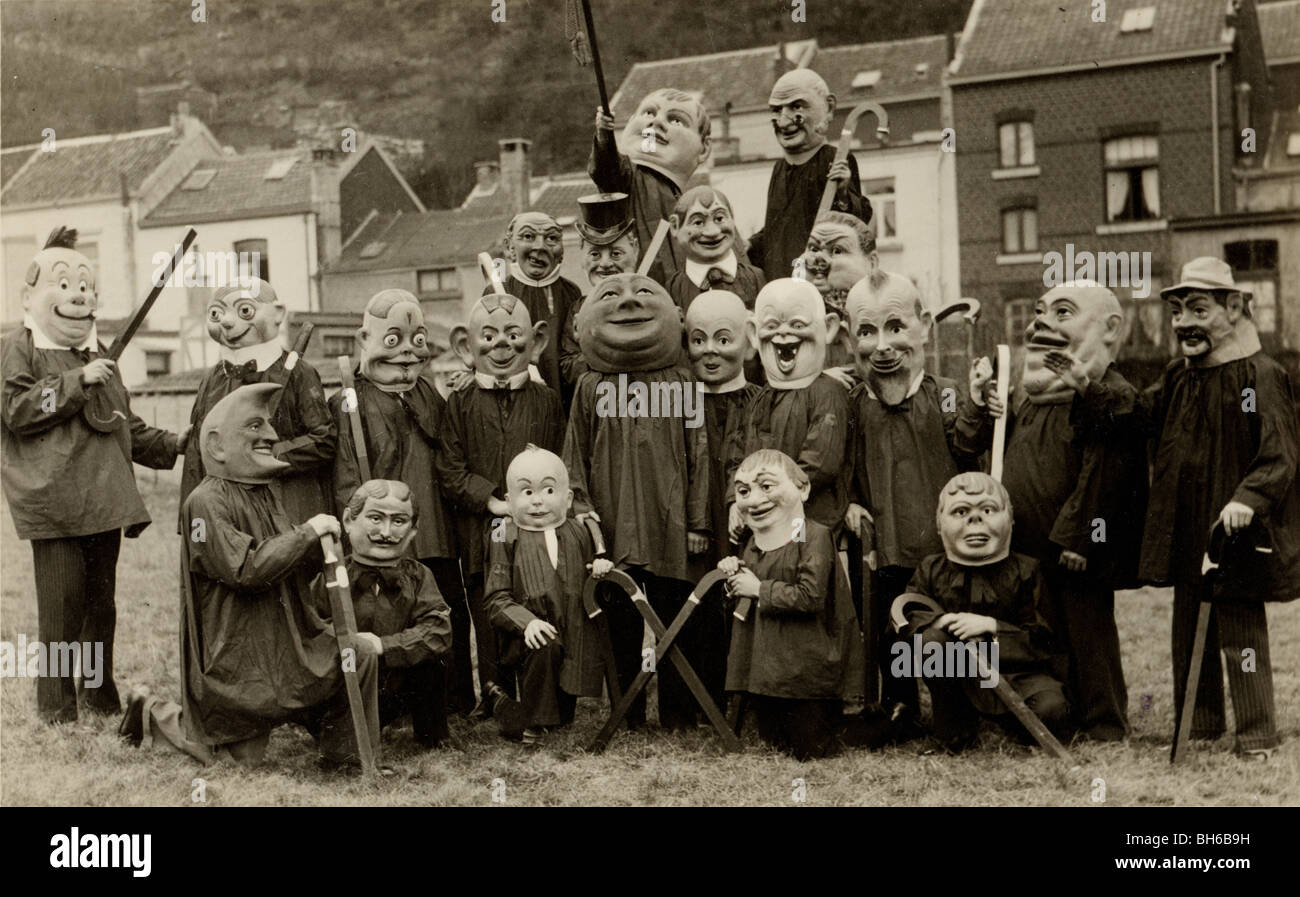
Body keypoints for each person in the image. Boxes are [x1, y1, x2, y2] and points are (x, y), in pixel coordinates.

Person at [119, 384, 381, 771]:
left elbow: (287, 555)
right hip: (239, 659)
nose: (272, 436)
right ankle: (152, 713)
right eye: (255, 426)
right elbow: (245, 569)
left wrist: (327, 542)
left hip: (286, 640)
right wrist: (307, 533)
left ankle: (343, 755)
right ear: (217, 444)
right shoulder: (204, 504)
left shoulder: (265, 492)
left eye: (270, 426)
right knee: (237, 762)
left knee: (356, 655)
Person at [1, 226, 185, 723]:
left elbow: (121, 425)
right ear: (30, 296)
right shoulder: (19, 348)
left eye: (86, 286)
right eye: (64, 285)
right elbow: (16, 410)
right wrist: (74, 381)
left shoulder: (99, 356)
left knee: (101, 606)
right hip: (54, 503)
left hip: (103, 502)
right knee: (61, 610)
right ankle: (57, 710)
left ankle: (99, 697)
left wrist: (176, 444)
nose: (79, 295)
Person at [960, 281, 1147, 742]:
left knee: (1088, 631)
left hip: (1076, 544)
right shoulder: (1033, 399)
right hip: (1031, 543)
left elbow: (1102, 477)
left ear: (1108, 330)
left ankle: (1104, 721)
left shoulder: (1110, 398)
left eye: (1062, 313)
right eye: (1039, 312)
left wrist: (1081, 537)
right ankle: (1063, 714)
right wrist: (994, 411)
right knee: (1047, 630)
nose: (1041, 322)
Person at [1138, 257, 1299, 760]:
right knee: (1188, 629)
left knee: (1240, 630)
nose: (1184, 322)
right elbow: (1140, 415)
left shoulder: (1260, 377)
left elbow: (1280, 452)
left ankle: (1255, 731)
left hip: (1236, 531)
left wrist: (1247, 499)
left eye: (1198, 309)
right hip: (1188, 527)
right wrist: (1090, 383)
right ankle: (1201, 720)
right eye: (1178, 311)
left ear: (1234, 308)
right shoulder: (1179, 378)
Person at [841, 270, 994, 731]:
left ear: (924, 325)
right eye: (867, 332)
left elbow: (967, 446)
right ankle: (899, 701)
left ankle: (958, 703)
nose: (883, 346)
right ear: (850, 339)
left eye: (895, 327)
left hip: (939, 546)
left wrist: (978, 403)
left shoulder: (946, 395)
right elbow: (839, 462)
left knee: (943, 619)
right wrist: (848, 502)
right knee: (887, 625)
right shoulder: (851, 403)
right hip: (881, 544)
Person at [563, 272, 711, 730]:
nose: (628, 304)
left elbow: (699, 453)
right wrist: (585, 515)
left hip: (670, 525)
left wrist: (698, 523)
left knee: (675, 613)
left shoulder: (683, 383)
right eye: (611, 297)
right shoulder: (590, 387)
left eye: (644, 294)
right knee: (621, 619)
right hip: (612, 526)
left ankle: (679, 711)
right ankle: (626, 710)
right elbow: (576, 457)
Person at [329, 290, 470, 713]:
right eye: (393, 342)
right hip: (382, 533)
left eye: (418, 340)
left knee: (444, 611)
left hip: (434, 532)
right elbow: (345, 477)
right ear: (364, 340)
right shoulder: (347, 403)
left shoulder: (429, 394)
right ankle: (389, 705)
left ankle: (451, 701)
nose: (408, 353)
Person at [441, 293, 563, 715]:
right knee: (486, 601)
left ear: (536, 342)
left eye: (513, 336)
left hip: (536, 524)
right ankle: (494, 691)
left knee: (534, 596)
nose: (501, 346)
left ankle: (539, 690)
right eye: (488, 337)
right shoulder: (459, 402)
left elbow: (558, 458)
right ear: (466, 346)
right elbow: (449, 466)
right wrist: (490, 501)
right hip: (481, 526)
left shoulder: (546, 401)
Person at [896, 472, 1070, 754]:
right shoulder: (931, 569)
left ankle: (1014, 724)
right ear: (940, 524)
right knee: (931, 642)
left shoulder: (1027, 571)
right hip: (960, 676)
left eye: (988, 510)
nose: (975, 521)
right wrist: (938, 623)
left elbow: (1044, 638)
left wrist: (991, 626)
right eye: (960, 511)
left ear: (1010, 519)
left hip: (1019, 676)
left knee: (1053, 711)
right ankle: (956, 730)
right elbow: (911, 612)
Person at [720, 449, 863, 759]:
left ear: (803, 489)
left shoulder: (814, 536)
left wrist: (759, 589)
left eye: (767, 487)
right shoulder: (755, 541)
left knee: (811, 748)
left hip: (806, 673)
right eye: (744, 491)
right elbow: (744, 598)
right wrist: (735, 573)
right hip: (769, 675)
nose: (754, 499)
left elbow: (810, 596)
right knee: (776, 744)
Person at [484, 446, 614, 746]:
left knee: (561, 715)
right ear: (509, 501)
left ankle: (509, 707)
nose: (538, 501)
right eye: (526, 492)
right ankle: (525, 721)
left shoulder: (578, 531)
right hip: (527, 637)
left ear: (567, 499)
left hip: (572, 631)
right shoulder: (504, 533)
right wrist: (526, 623)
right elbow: (496, 597)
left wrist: (601, 564)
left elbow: (594, 566)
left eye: (549, 490)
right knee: (544, 645)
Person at [179, 277, 335, 528]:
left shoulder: (300, 373)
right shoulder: (212, 378)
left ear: (278, 314)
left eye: (244, 310)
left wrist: (268, 455)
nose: (228, 322)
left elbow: (323, 439)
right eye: (217, 313)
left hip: (287, 504)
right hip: (226, 510)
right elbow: (198, 451)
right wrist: (193, 526)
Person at [313, 479, 453, 749]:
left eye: (399, 521)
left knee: (435, 659)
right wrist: (348, 642)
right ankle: (338, 737)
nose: (386, 532)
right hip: (342, 684)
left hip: (395, 683)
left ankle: (431, 735)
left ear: (413, 530)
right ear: (348, 520)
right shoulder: (329, 575)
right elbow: (311, 627)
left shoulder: (419, 576)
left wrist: (384, 646)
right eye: (376, 518)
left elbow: (438, 628)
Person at [726, 278, 850, 543]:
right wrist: (736, 501)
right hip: (764, 519)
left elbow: (820, 462)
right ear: (753, 334)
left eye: (797, 324)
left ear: (827, 329)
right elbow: (738, 453)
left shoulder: (828, 393)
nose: (782, 334)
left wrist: (761, 496)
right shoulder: (759, 397)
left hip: (810, 520)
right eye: (771, 326)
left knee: (804, 575)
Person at [684, 289, 761, 707]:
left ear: (747, 341)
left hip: (743, 520)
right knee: (699, 603)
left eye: (723, 339)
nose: (710, 351)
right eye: (699, 340)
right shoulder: (679, 404)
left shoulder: (759, 402)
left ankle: (744, 693)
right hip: (698, 524)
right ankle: (705, 697)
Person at [747, 69, 871, 283]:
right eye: (777, 110)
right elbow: (778, 226)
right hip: (780, 281)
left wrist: (842, 193)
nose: (784, 122)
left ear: (829, 107)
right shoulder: (779, 168)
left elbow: (855, 223)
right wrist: (751, 244)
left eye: (796, 106)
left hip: (818, 281)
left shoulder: (835, 159)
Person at [591, 88, 711, 283]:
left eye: (675, 120)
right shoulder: (630, 177)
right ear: (630, 122)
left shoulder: (686, 198)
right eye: (649, 113)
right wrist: (604, 134)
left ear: (704, 148)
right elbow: (607, 169)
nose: (656, 122)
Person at [484, 211, 583, 408]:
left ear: (561, 251)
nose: (540, 246)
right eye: (528, 237)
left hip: (565, 401)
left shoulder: (571, 292)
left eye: (551, 238)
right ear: (509, 247)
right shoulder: (496, 292)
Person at [560, 192, 640, 392]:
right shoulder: (579, 309)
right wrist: (608, 353)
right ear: (582, 257)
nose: (605, 264)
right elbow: (568, 366)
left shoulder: (652, 302)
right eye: (595, 254)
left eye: (616, 253)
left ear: (635, 249)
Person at [664, 185, 765, 314]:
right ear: (675, 226)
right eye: (698, 222)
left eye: (719, 219)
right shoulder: (674, 288)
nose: (712, 232)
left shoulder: (755, 277)